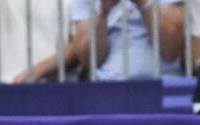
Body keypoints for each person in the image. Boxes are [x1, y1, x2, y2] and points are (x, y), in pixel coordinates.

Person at [57, 0, 186, 81]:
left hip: (162, 86)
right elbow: (89, 60)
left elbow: (170, 51)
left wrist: (143, 3)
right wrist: (104, 13)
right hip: (107, 87)